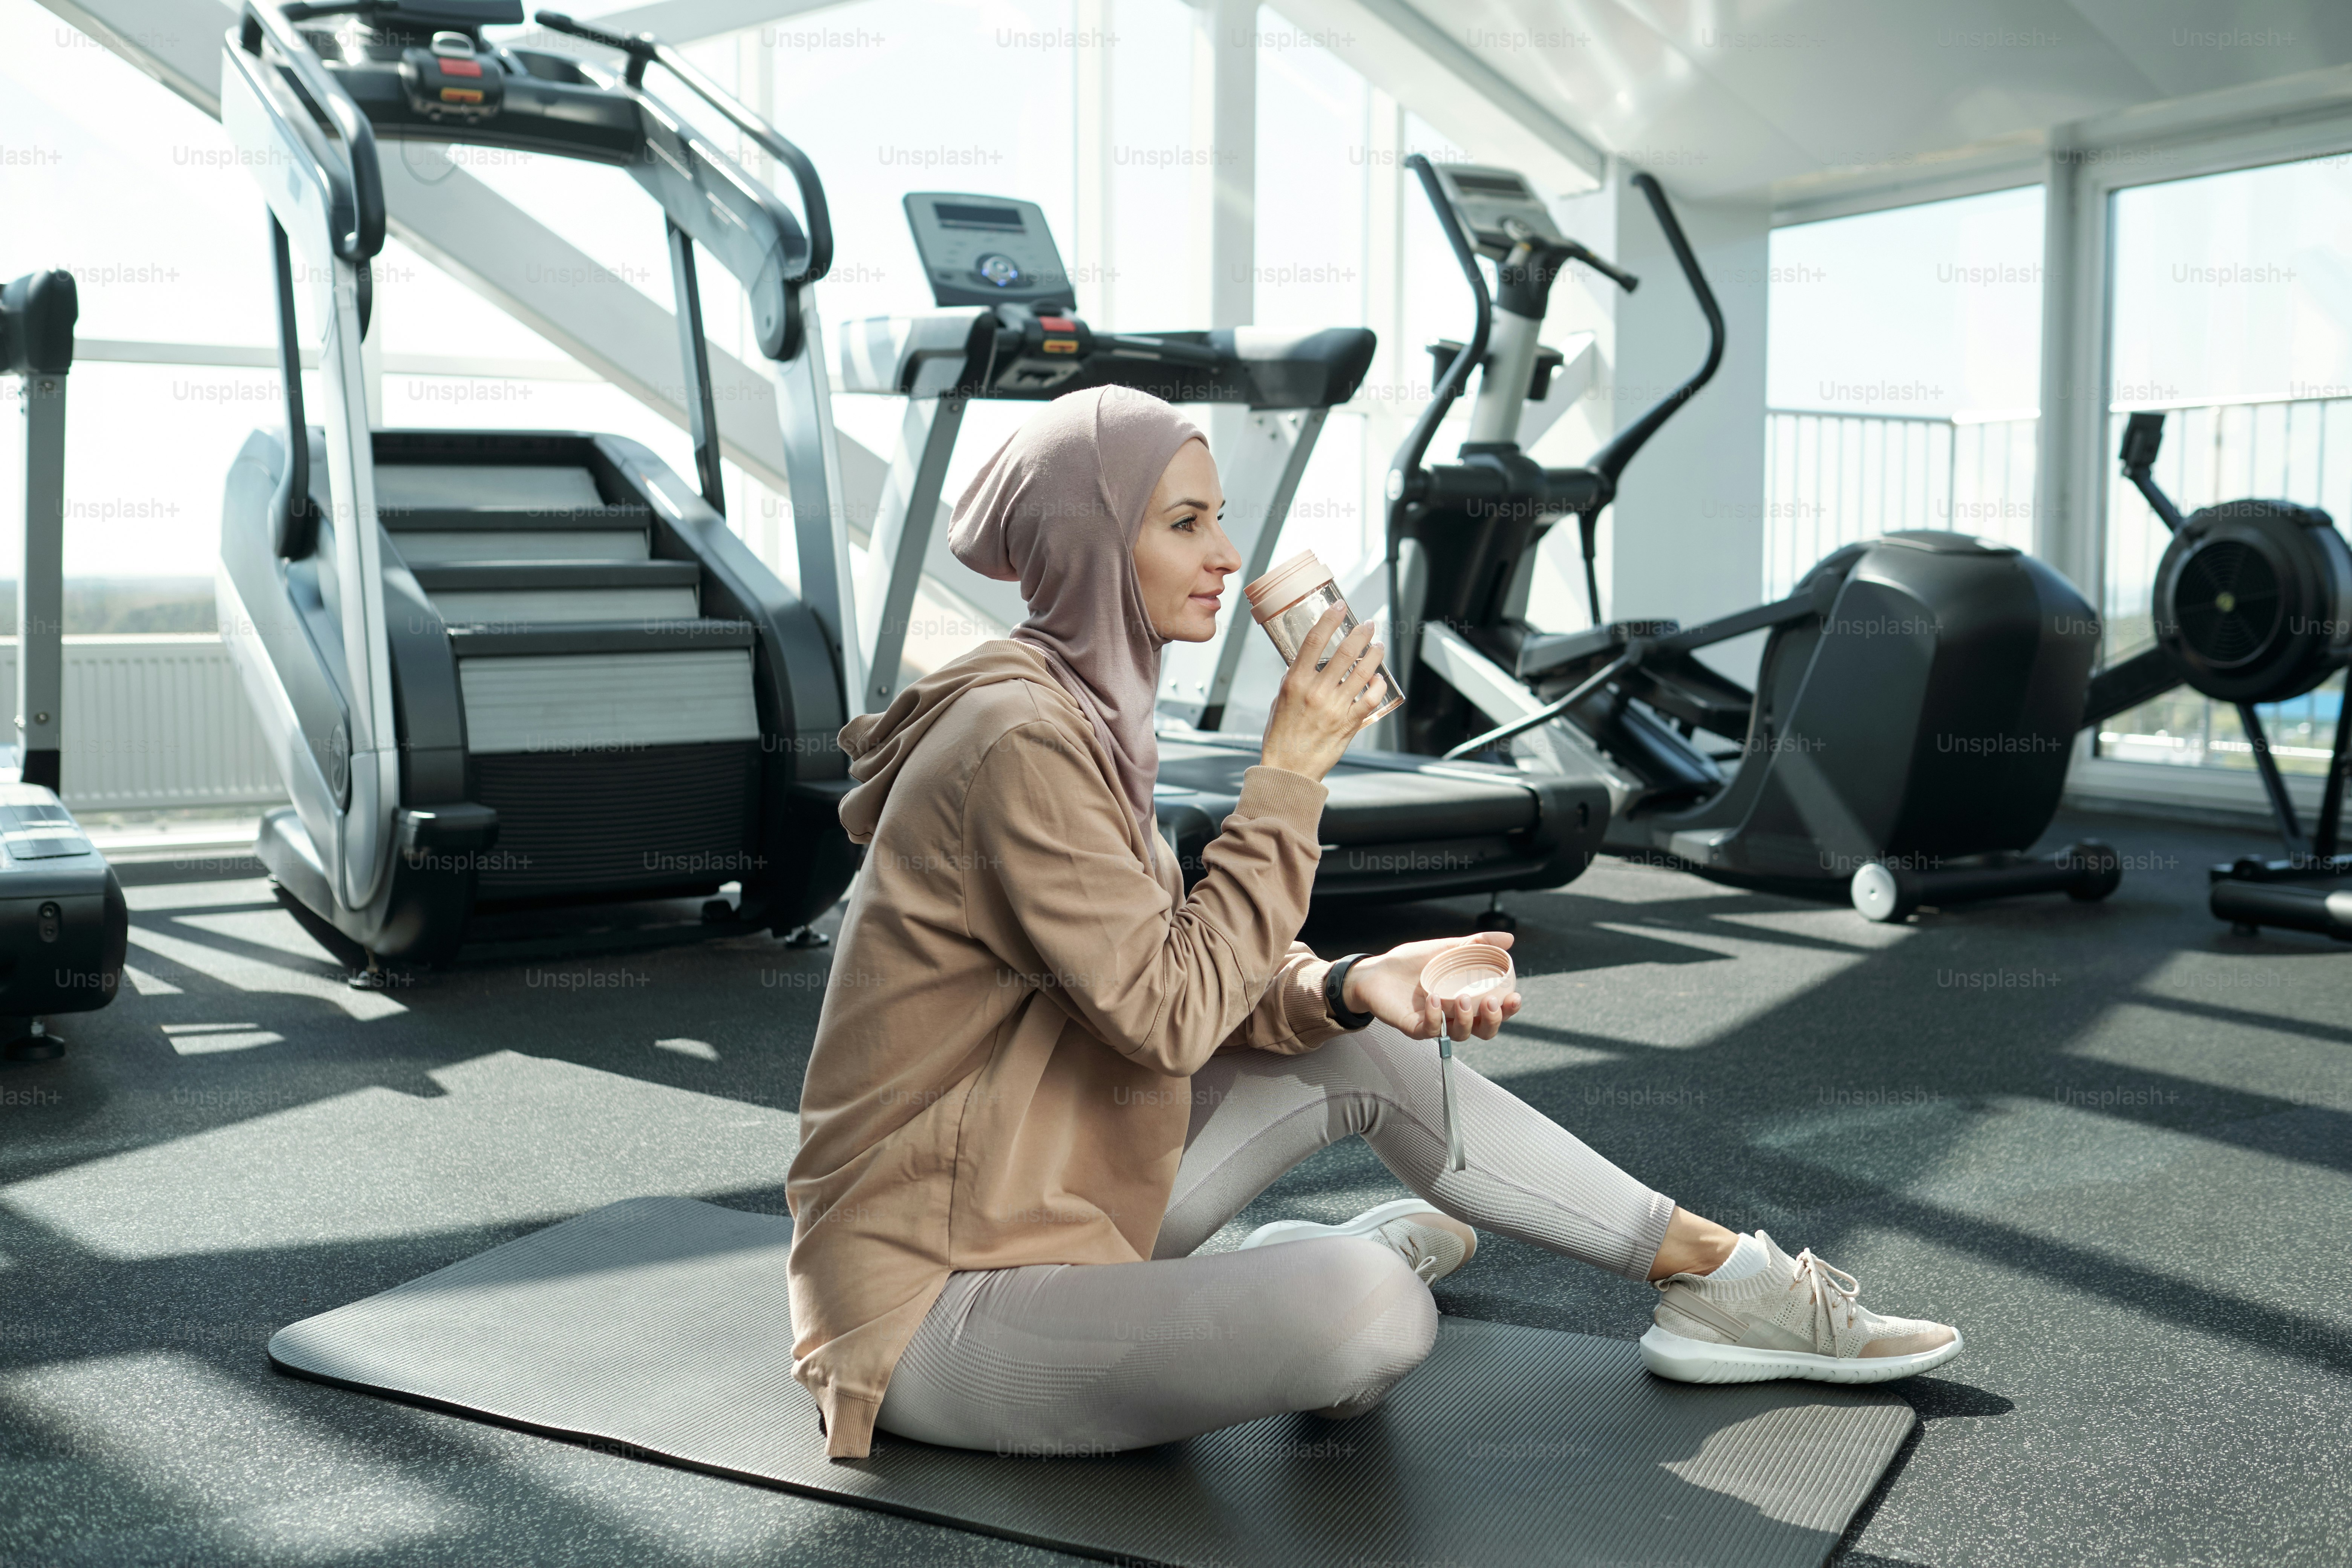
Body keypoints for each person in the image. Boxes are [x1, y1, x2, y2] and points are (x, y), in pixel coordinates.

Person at [785, 386, 1960, 1461]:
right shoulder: (1017, 738)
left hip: (1054, 1192)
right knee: (1370, 1312)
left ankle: (1724, 1280)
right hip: (933, 1296)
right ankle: (1290, 1281)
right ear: (1095, 542)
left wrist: (1352, 984)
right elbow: (1167, 1015)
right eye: (1185, 523)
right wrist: (1291, 771)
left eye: (1219, 518)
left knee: (1371, 1046)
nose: (1227, 555)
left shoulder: (1086, 717)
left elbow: (1157, 962)